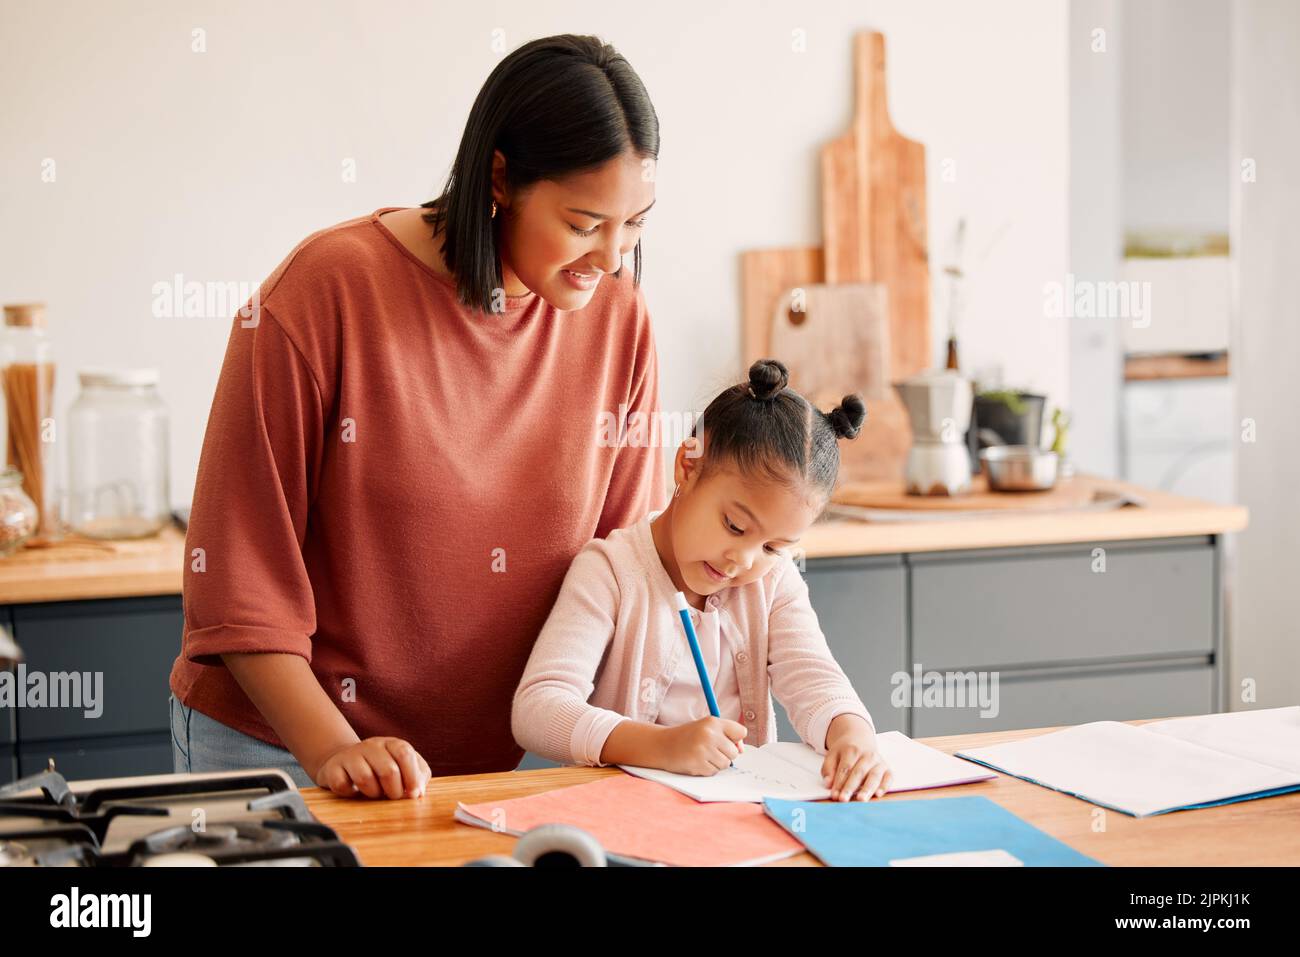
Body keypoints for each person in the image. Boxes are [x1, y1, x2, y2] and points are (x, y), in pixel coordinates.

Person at [169, 35, 665, 798]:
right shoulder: (324, 293)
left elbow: (618, 568)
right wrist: (335, 748)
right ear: (500, 176)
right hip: (280, 749)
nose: (610, 257)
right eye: (584, 222)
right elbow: (240, 577)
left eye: (634, 224)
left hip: (478, 770)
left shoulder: (619, 321)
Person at [513, 359, 894, 802]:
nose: (744, 560)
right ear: (687, 467)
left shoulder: (773, 584)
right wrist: (659, 746)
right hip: (623, 817)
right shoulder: (610, 572)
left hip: (736, 816)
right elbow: (537, 710)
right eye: (734, 526)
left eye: (773, 547)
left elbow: (814, 678)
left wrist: (852, 735)